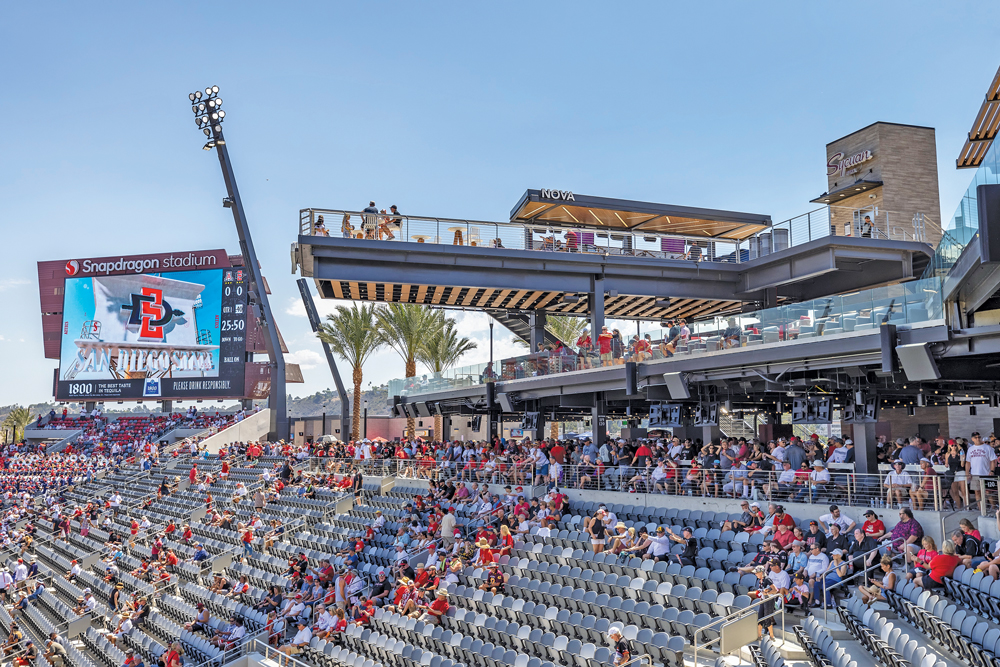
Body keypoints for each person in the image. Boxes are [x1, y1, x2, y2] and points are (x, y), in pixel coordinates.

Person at [967, 432, 996, 511]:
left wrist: (992, 470)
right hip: (974, 473)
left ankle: (993, 507)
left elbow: (993, 460)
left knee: (988, 492)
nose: (978, 438)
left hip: (985, 473)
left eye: (979, 437)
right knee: (977, 492)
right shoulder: (970, 449)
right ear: (972, 439)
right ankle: (981, 508)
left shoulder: (987, 448)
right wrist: (967, 473)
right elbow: (968, 462)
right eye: (975, 437)